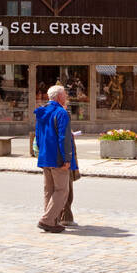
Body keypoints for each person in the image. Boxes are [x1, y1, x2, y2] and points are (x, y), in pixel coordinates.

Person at [34, 84, 76, 233]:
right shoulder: (61, 113)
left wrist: (40, 153)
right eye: (64, 95)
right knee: (61, 190)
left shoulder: (42, 111)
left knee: (49, 190)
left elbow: (38, 137)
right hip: (57, 157)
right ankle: (46, 220)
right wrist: (67, 158)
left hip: (44, 157)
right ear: (59, 97)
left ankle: (52, 221)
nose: (66, 97)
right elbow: (63, 138)